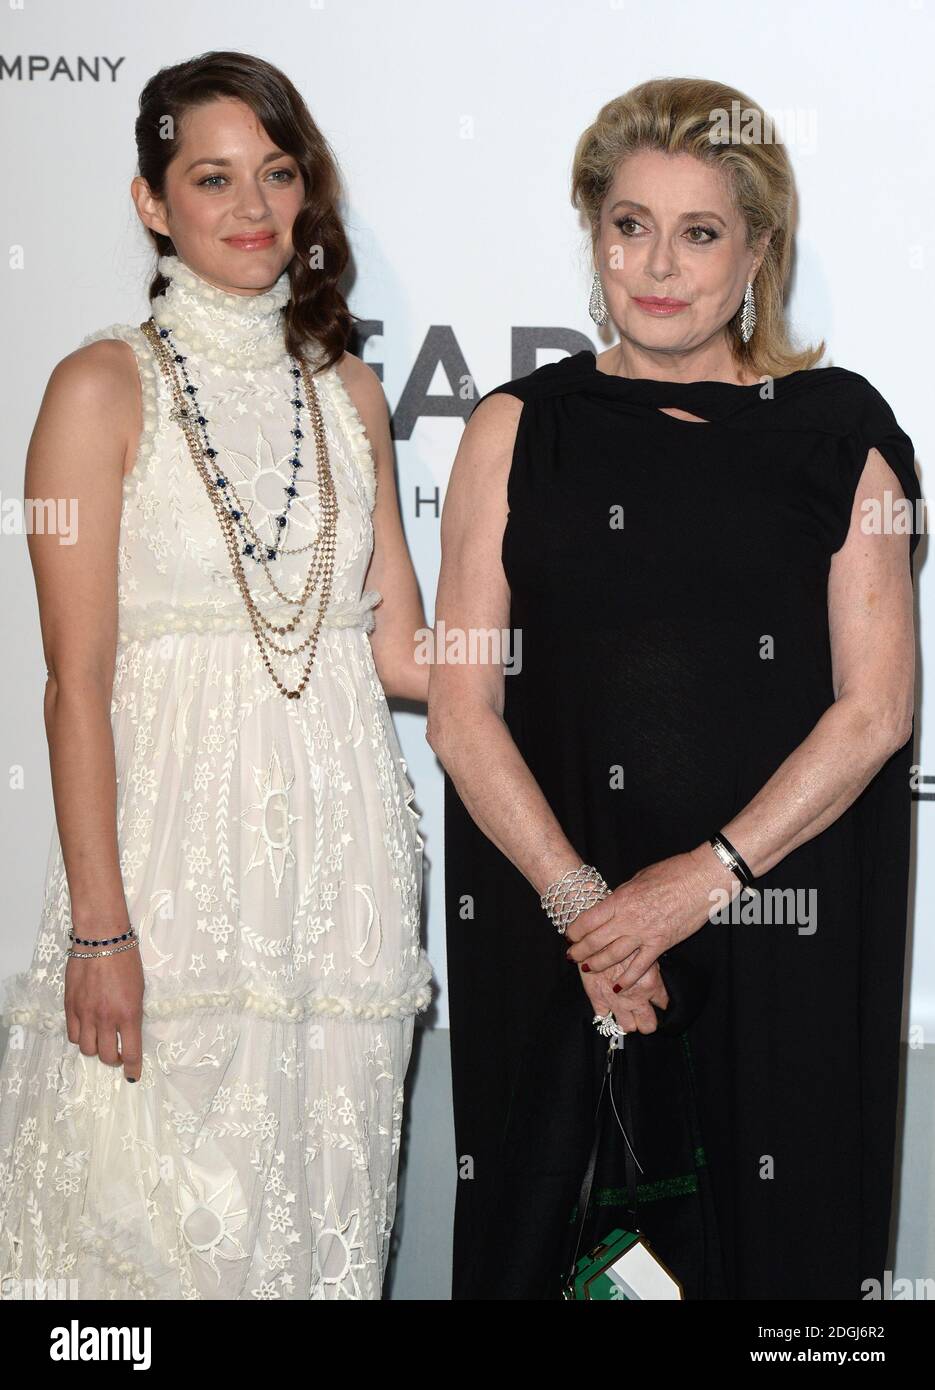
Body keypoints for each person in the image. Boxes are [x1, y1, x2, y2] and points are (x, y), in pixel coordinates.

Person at [430, 76, 922, 1300]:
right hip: (558, 934)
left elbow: (876, 710)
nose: (657, 265)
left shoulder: (837, 430)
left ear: (757, 249)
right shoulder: (512, 429)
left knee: (780, 1271)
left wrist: (697, 882)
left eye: (698, 232)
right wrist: (593, 915)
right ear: (591, 235)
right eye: (627, 225)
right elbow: (458, 707)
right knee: (552, 1252)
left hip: (775, 926)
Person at [0, 51, 432, 1300]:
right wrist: (100, 928)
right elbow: (73, 682)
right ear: (153, 202)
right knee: (129, 1235)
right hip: (162, 878)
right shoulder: (96, 387)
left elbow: (402, 650)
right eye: (211, 177)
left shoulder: (351, 390)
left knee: (312, 1226)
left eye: (277, 172)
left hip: (340, 883)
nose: (253, 207)